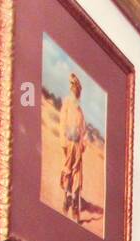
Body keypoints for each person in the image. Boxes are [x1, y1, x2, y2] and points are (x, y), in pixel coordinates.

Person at [59, 73, 86, 222]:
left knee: (77, 176)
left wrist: (83, 144)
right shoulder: (67, 102)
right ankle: (66, 201)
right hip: (69, 142)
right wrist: (63, 139)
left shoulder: (80, 111)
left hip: (78, 145)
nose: (74, 90)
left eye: (76, 88)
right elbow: (62, 121)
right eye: (72, 87)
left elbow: (84, 130)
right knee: (67, 172)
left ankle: (75, 206)